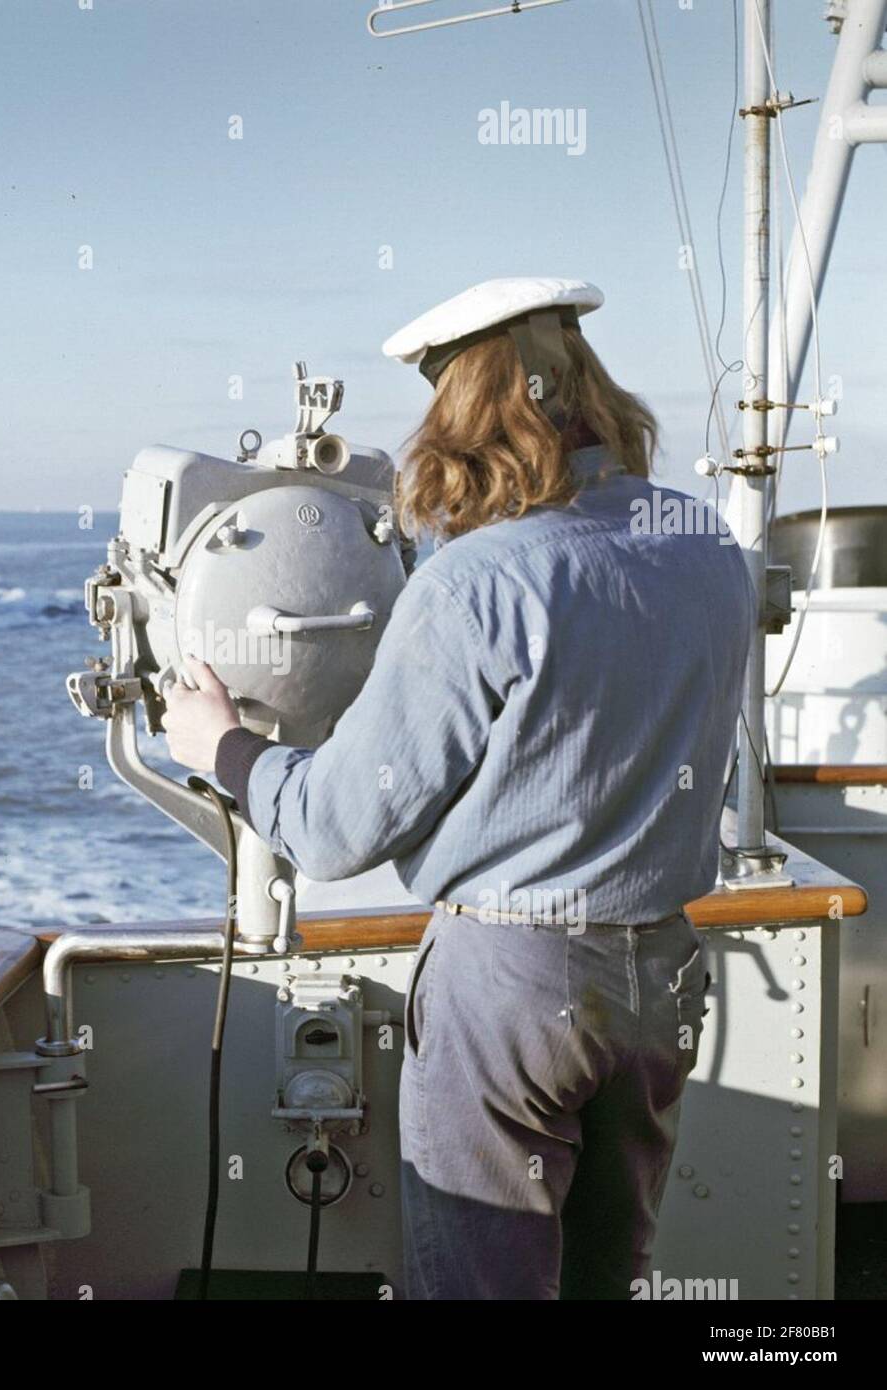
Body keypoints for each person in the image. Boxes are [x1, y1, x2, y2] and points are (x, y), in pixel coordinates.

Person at [161, 277, 754, 1300]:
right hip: (660, 975)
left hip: (515, 993)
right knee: (606, 1279)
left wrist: (222, 746)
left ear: (465, 416)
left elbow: (331, 829)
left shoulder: (473, 584)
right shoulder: (704, 544)